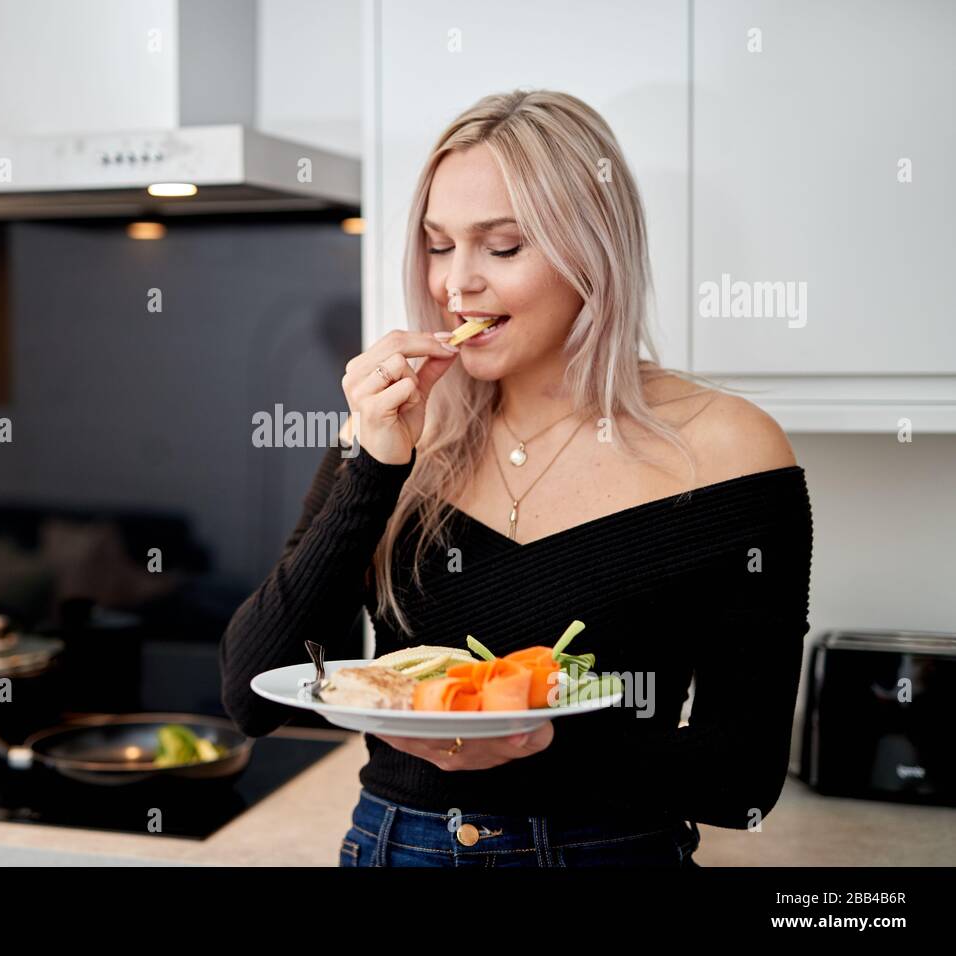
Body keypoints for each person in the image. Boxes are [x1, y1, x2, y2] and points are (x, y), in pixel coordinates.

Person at [219, 90, 813, 867]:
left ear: (593, 252)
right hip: (397, 849)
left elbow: (743, 780)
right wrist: (375, 467)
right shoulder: (395, 431)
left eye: (501, 248)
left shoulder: (729, 447)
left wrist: (537, 744)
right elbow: (252, 692)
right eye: (438, 245)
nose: (455, 285)